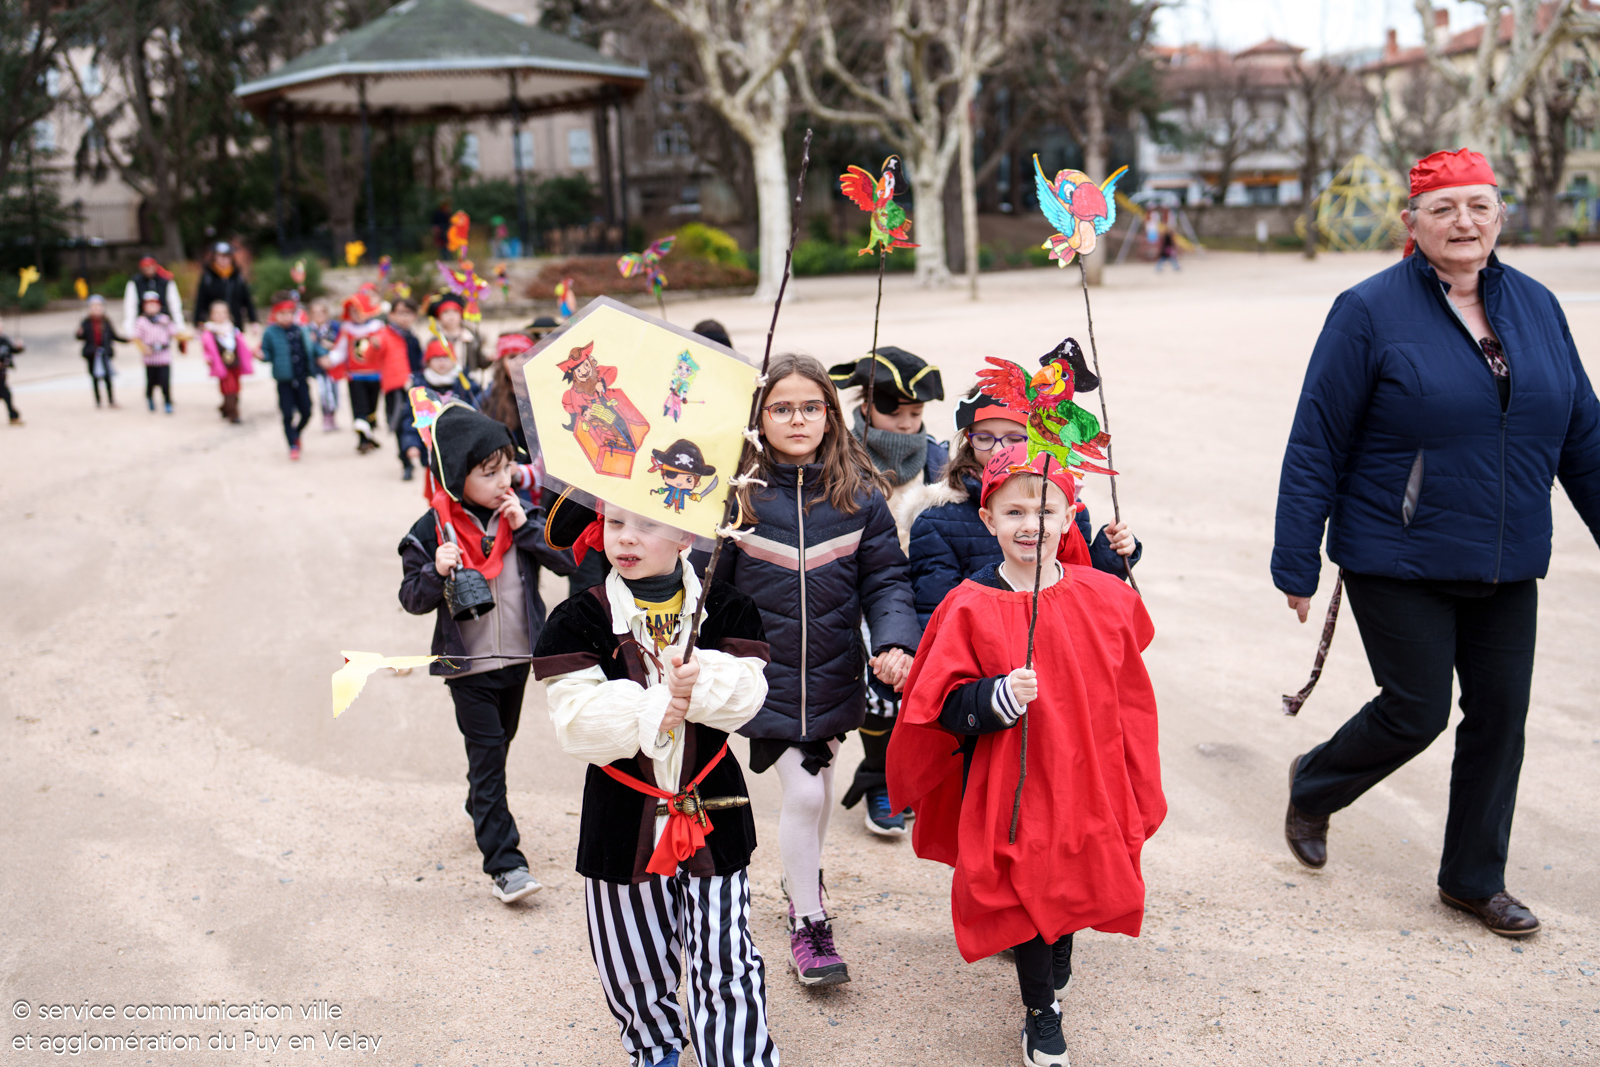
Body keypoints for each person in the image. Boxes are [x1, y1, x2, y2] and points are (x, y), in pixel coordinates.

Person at [1272, 148, 1600, 939]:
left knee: (1501, 716)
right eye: (1445, 207)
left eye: (1480, 206)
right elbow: (1317, 435)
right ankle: (1315, 783)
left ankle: (1472, 879)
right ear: (1411, 222)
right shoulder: (1368, 310)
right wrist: (1297, 555)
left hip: (1507, 554)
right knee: (1414, 711)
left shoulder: (1538, 306)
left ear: (1500, 215)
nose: (1465, 222)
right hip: (1398, 551)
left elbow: (1581, 432)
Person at [889, 445, 1164, 1067]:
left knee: (1075, 871)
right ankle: (1041, 1011)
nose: (1030, 524)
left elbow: (1130, 660)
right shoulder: (967, 603)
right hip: (1011, 777)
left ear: (1070, 519)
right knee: (1025, 885)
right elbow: (941, 706)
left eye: (1046, 510)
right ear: (988, 521)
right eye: (1013, 511)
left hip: (1086, 770)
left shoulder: (1102, 594)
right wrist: (993, 698)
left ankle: (1060, 938)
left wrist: (1126, 562)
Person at [534, 500, 778, 1067]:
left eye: (647, 523)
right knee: (629, 955)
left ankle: (737, 1057)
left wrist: (705, 680)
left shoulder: (726, 607)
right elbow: (574, 722)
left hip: (712, 804)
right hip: (623, 812)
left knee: (725, 951)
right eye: (616, 523)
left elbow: (748, 695)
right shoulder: (578, 619)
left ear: (687, 534)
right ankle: (655, 1048)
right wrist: (652, 709)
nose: (627, 538)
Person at [712, 352, 920, 986]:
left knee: (822, 787)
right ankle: (808, 922)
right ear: (760, 416)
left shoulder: (860, 497)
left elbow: (887, 578)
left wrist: (893, 640)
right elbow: (707, 584)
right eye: (781, 408)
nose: (796, 419)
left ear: (831, 414)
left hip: (834, 673)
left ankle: (804, 874)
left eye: (810, 407)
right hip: (765, 677)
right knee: (802, 792)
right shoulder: (734, 497)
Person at [397, 404, 573, 903]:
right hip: (467, 666)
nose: (503, 481)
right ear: (457, 475)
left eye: (507, 468)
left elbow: (565, 563)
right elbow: (412, 599)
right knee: (489, 752)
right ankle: (506, 863)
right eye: (488, 472)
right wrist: (435, 569)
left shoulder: (519, 514)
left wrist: (528, 528)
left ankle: (480, 802)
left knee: (500, 745)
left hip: (518, 659)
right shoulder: (432, 528)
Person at [905, 362, 1142, 629]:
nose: (998, 450)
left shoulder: (1065, 508)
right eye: (984, 437)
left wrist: (1110, 555)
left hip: (1055, 643)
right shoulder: (937, 521)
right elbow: (935, 615)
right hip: (986, 654)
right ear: (968, 438)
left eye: (1014, 438)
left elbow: (1080, 588)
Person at [826, 346, 947, 837]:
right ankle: (881, 778)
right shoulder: (835, 451)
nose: (906, 424)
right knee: (872, 696)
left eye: (916, 414)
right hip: (849, 586)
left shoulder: (939, 459)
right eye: (894, 413)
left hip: (914, 591)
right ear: (864, 403)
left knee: (912, 690)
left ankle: (905, 779)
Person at [320, 287, 408, 454]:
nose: (356, 314)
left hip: (376, 375)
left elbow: (386, 348)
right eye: (352, 311)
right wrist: (330, 360)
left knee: (372, 408)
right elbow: (340, 350)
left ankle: (369, 436)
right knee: (359, 408)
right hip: (356, 376)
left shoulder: (379, 328)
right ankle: (362, 440)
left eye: (358, 310)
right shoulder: (347, 330)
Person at [398, 339, 482, 492]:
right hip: (431, 448)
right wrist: (411, 444)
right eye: (436, 358)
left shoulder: (466, 385)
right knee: (436, 490)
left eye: (446, 358)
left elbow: (478, 412)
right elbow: (411, 419)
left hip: (462, 445)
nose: (442, 363)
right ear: (428, 361)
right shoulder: (419, 388)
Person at [259, 293, 321, 460]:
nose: (286, 317)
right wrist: (260, 355)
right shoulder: (270, 333)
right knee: (287, 414)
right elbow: (266, 353)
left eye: (289, 313)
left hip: (301, 378)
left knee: (307, 411)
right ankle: (292, 444)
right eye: (282, 313)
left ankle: (296, 433)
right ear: (275, 314)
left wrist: (324, 355)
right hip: (284, 381)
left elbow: (313, 348)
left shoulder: (302, 330)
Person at [385, 298, 427, 478]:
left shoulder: (413, 338)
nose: (405, 317)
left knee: (415, 420)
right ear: (391, 315)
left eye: (409, 313)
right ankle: (405, 461)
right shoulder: (385, 335)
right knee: (397, 422)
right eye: (401, 313)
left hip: (414, 386)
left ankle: (414, 454)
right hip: (396, 387)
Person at [200, 299, 255, 423]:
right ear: (211, 315)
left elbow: (242, 344)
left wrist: (249, 353)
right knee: (228, 387)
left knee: (236, 387)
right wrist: (208, 358)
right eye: (217, 313)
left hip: (235, 362)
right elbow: (206, 348)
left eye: (223, 313)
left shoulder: (232, 329)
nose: (220, 316)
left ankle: (225, 407)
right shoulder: (209, 332)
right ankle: (233, 414)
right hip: (222, 364)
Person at [192, 242, 258, 331]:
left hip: (235, 323)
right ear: (214, 258)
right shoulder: (208, 277)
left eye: (227, 256)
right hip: (215, 325)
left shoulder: (237, 276)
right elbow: (201, 301)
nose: (223, 259)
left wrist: (254, 320)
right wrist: (198, 321)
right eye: (220, 256)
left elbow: (247, 300)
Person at [77, 294, 127, 409]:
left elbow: (114, 336)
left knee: (108, 377)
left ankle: (111, 400)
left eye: (99, 307)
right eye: (93, 307)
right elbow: (80, 337)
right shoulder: (86, 322)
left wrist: (127, 340)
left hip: (104, 353)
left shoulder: (106, 322)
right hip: (92, 354)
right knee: (94, 378)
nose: (96, 310)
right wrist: (79, 333)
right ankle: (98, 400)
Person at [131, 290, 177, 414]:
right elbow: (136, 337)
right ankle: (150, 398)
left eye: (154, 304)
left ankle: (167, 401)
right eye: (148, 304)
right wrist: (144, 348)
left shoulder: (165, 319)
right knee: (151, 381)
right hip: (150, 358)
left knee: (165, 382)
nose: (151, 307)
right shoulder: (141, 321)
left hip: (164, 356)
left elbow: (175, 332)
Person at [122, 255, 186, 337]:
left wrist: (179, 325)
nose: (148, 269)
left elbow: (174, 304)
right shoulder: (135, 282)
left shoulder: (166, 281)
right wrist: (129, 328)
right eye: (145, 266)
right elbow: (130, 305)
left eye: (150, 266)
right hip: (143, 323)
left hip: (163, 323)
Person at [429, 293, 483, 377]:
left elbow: (479, 360)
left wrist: (489, 359)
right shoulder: (436, 339)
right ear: (439, 317)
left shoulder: (471, 336)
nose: (451, 316)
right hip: (446, 380)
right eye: (446, 312)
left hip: (470, 379)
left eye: (455, 312)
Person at [308, 299, 341, 433]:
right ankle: (326, 416)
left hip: (333, 365)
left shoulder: (334, 327)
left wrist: (330, 349)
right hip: (318, 367)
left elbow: (340, 343)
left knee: (334, 391)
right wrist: (320, 354)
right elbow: (310, 347)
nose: (319, 315)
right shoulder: (309, 330)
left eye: (321, 312)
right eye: (315, 313)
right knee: (323, 392)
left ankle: (333, 415)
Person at [0, 313, 22, 426]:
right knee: (6, 395)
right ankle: (13, 416)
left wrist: (19, 347)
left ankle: (13, 416)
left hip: (2, 375)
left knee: (7, 395)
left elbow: (13, 350)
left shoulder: (4, 339)